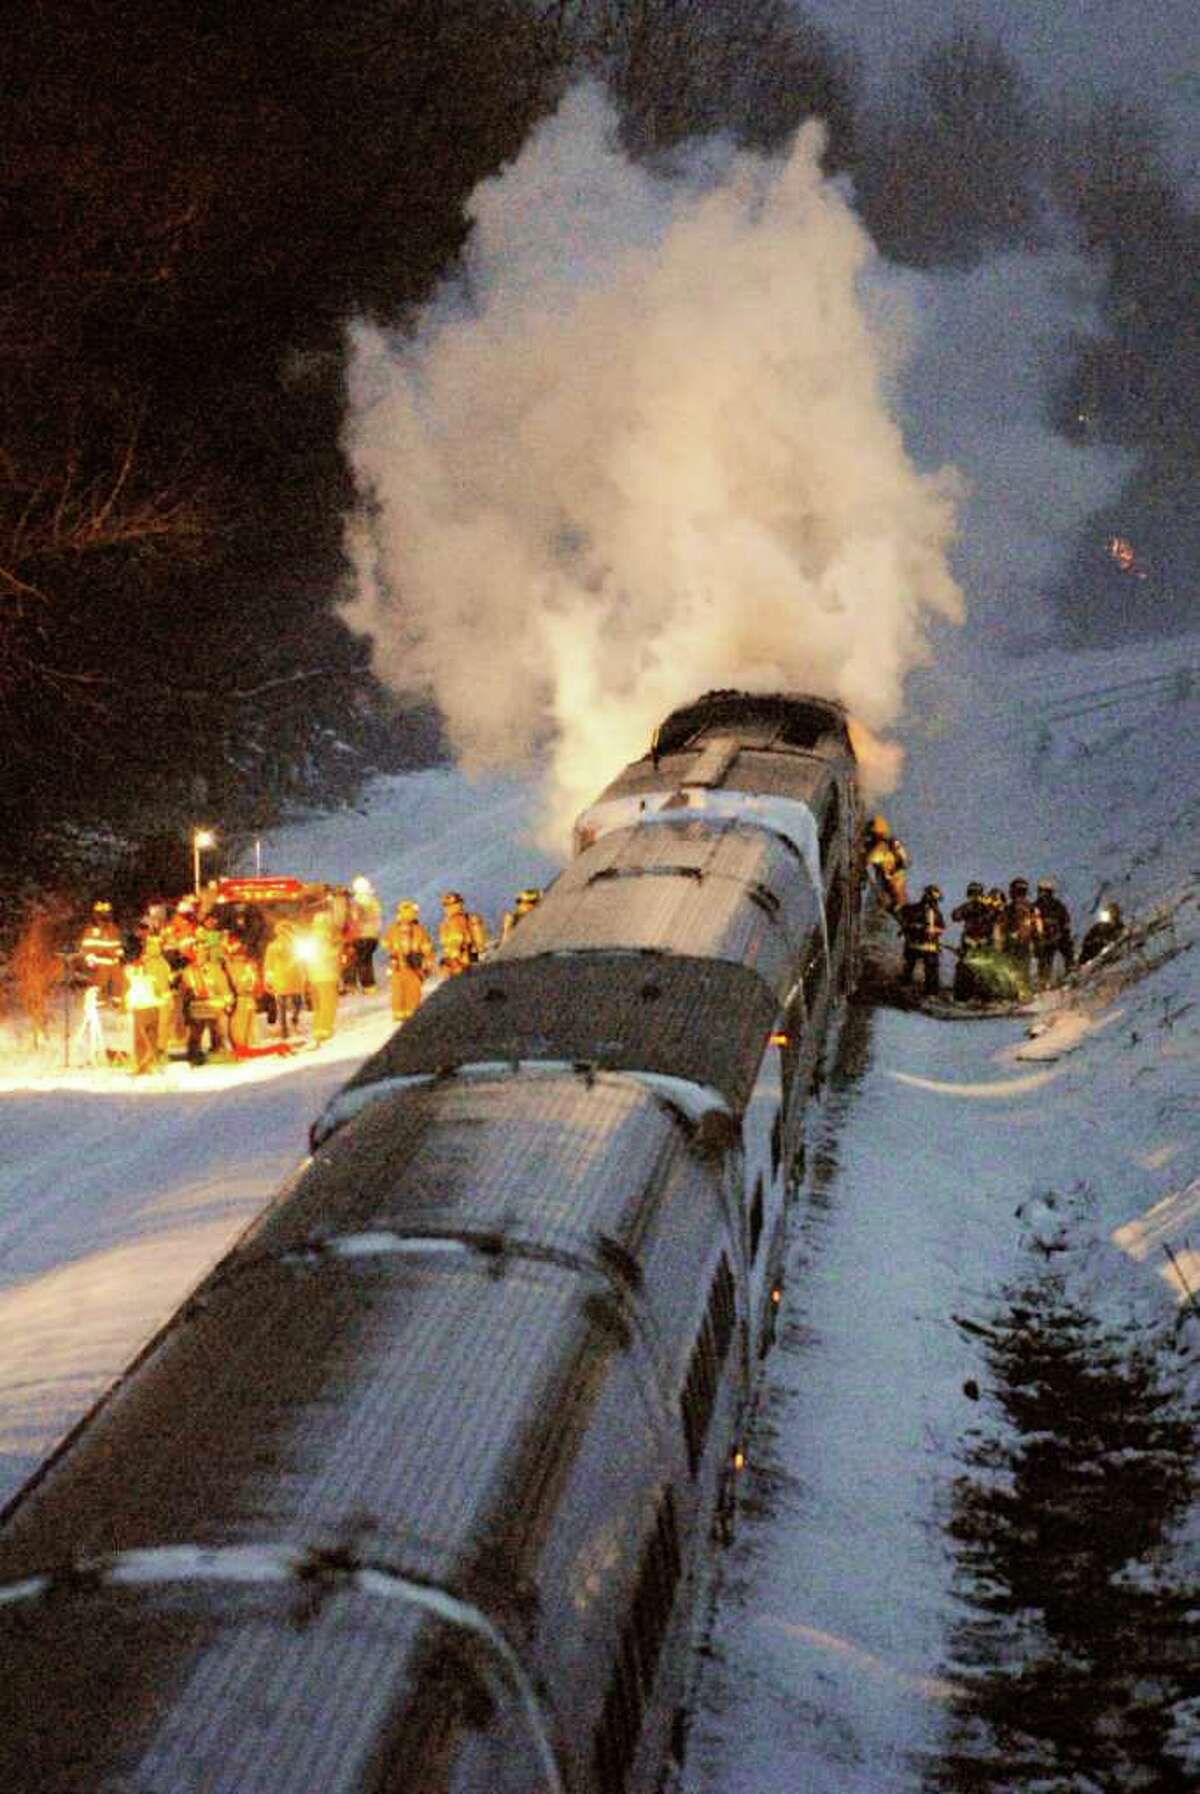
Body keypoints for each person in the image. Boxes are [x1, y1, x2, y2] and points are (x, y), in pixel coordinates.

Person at [180, 929, 235, 1065]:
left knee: (217, 1028)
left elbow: (223, 987)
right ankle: (194, 1054)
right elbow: (186, 990)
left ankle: (217, 1050)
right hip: (196, 1005)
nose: (201, 954)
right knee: (195, 1031)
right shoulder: (188, 971)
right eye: (198, 952)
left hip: (213, 1003)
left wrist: (226, 1000)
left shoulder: (215, 969)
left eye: (204, 952)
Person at [383, 899, 435, 1022]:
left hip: (405, 968)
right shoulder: (418, 930)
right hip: (406, 968)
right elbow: (427, 949)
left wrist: (426, 966)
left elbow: (386, 944)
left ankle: (402, 1016)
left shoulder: (395, 929)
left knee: (403, 992)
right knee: (405, 992)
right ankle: (406, 1016)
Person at [897, 883, 945, 994]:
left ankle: (931, 994)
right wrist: (914, 927)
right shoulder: (912, 909)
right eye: (931, 900)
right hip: (914, 945)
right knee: (908, 969)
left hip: (930, 947)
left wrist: (934, 930)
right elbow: (902, 918)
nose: (933, 903)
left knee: (931, 973)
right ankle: (903, 990)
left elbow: (941, 928)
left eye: (934, 901)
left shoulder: (937, 913)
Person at [263, 918, 305, 1041]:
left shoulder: (296, 945)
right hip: (282, 978)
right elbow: (268, 964)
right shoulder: (274, 946)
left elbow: (302, 961)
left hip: (291, 977)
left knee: (293, 1003)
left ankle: (291, 1022)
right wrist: (268, 979)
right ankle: (285, 1029)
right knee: (284, 1006)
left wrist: (304, 973)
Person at [78, 900, 125, 1007]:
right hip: (98, 962)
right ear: (96, 915)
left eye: (107, 914)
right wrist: (90, 960)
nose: (105, 916)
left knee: (119, 978)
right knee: (100, 982)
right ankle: (99, 1001)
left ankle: (116, 1001)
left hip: (112, 961)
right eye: (102, 914)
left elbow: (117, 945)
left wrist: (119, 956)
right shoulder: (91, 930)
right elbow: (85, 947)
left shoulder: (113, 929)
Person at [305, 910, 342, 1045]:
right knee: (328, 1002)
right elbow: (328, 954)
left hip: (314, 976)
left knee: (319, 1004)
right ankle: (325, 1028)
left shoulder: (310, 938)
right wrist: (336, 948)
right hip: (326, 975)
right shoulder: (325, 938)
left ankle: (318, 1028)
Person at [1033, 877, 1075, 987]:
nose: (1043, 895)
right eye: (1041, 891)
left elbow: (1065, 922)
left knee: (1067, 949)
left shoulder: (1058, 906)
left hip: (1057, 937)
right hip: (1043, 939)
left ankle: (1070, 970)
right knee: (1044, 957)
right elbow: (1031, 923)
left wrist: (1063, 933)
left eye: (1045, 892)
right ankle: (1042, 980)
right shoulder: (1035, 907)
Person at [345, 875, 383, 992]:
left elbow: (353, 919)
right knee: (366, 959)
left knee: (356, 960)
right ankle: (369, 984)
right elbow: (378, 920)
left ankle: (355, 984)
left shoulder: (354, 903)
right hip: (372, 936)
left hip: (359, 935)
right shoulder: (374, 902)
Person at [865, 815, 909, 914]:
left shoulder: (881, 847)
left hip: (891, 883)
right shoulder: (887, 845)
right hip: (895, 882)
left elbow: (868, 859)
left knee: (894, 905)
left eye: (871, 834)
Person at [438, 891, 488, 976]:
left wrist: (450, 963)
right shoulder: (466, 918)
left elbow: (456, 943)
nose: (446, 909)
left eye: (447, 906)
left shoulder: (454, 921)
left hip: (461, 962)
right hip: (471, 958)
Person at [1003, 878, 1040, 991]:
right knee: (1021, 970)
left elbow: (1001, 925)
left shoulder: (1011, 908)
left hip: (1017, 944)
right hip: (1022, 944)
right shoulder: (1031, 907)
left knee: (1014, 970)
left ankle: (1017, 993)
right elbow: (1037, 927)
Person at [225, 935, 260, 1054]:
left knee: (248, 1023)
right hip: (239, 998)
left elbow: (253, 980)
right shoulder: (231, 966)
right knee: (239, 1024)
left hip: (248, 997)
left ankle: (245, 1045)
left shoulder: (248, 966)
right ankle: (239, 1046)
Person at [1079, 901, 1125, 966]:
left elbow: (1122, 942)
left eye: (1113, 912)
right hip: (1093, 958)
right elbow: (1087, 942)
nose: (1112, 914)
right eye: (1110, 912)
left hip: (1111, 959)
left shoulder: (1121, 928)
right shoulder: (1098, 928)